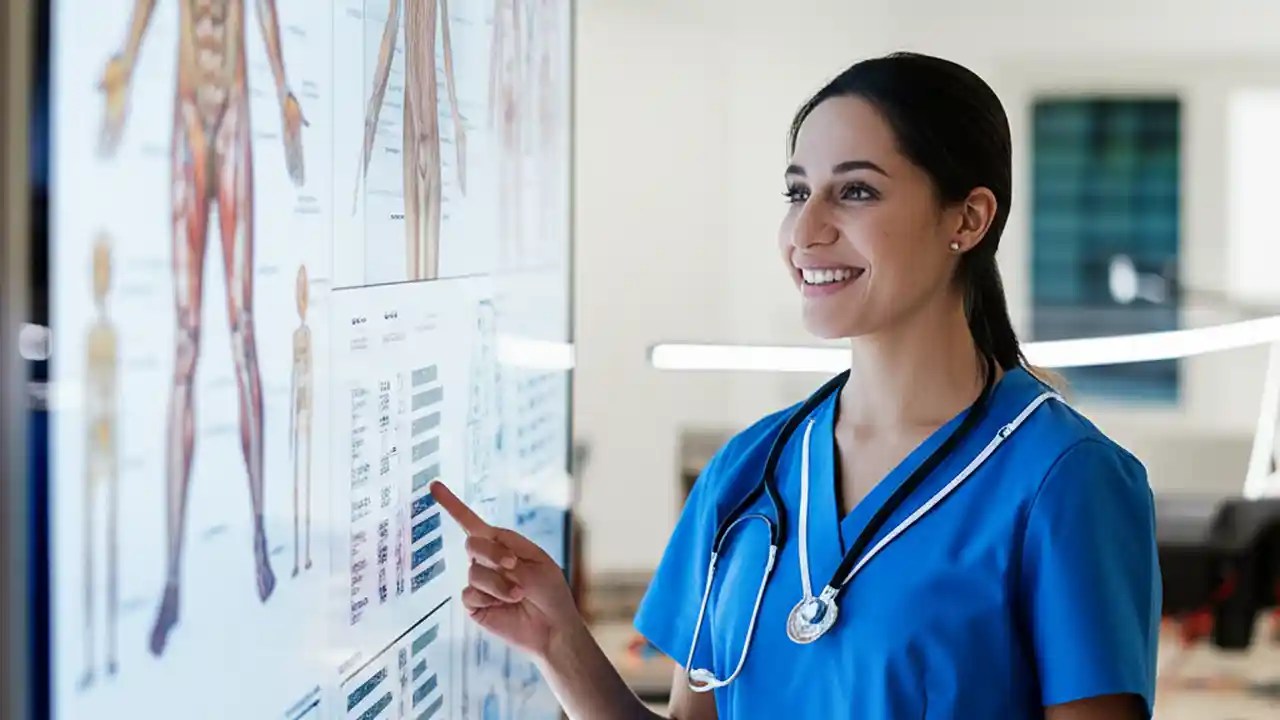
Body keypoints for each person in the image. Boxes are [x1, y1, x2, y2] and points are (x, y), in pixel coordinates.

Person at [432, 51, 1162, 720]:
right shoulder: (745, 473)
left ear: (968, 219)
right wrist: (558, 640)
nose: (805, 231)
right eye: (796, 191)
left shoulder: (1067, 481)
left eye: (856, 191)